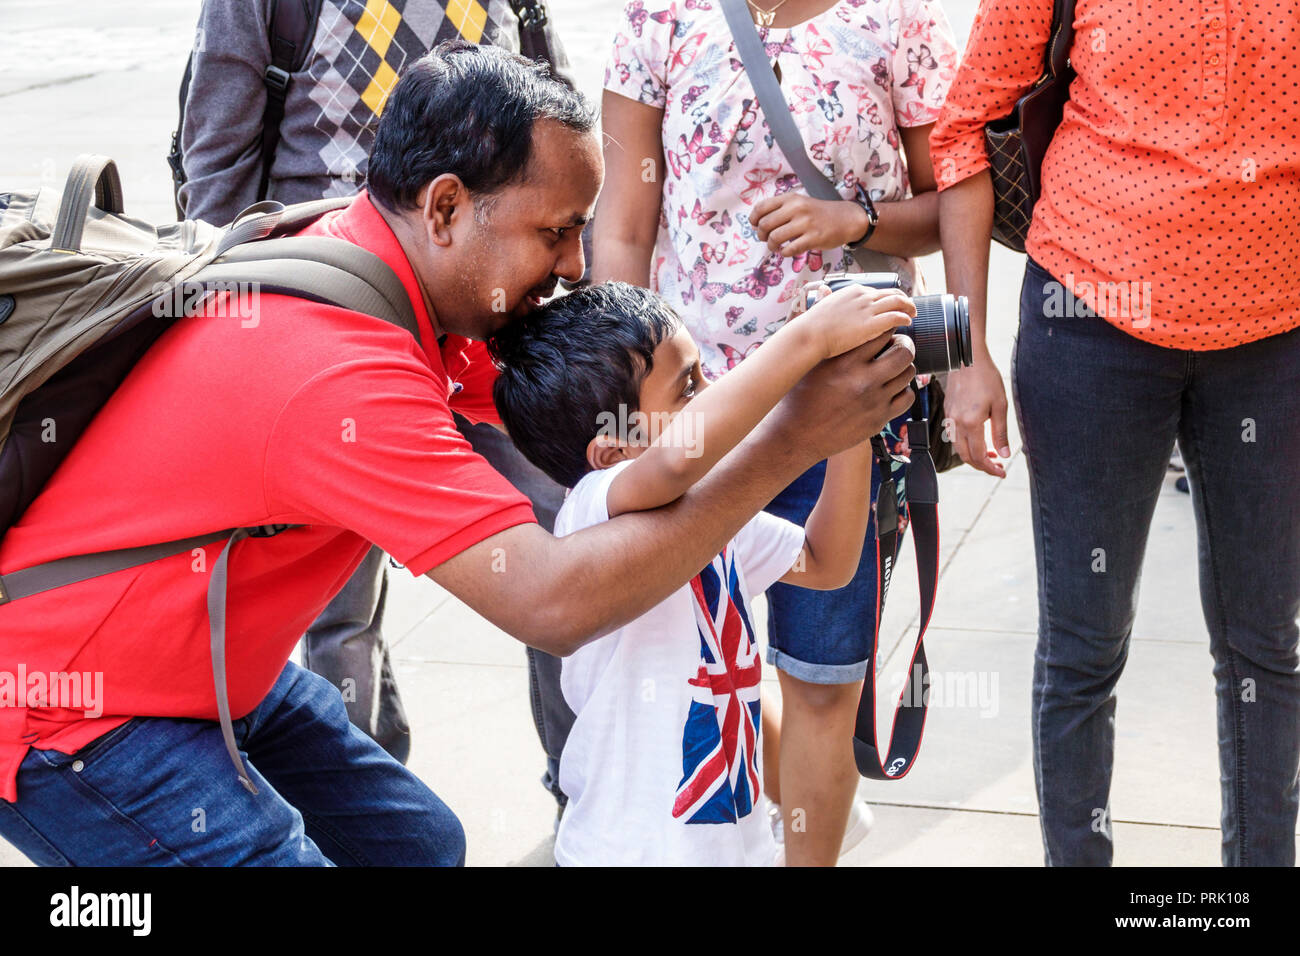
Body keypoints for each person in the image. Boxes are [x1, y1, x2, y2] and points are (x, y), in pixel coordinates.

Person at [0, 42, 917, 866]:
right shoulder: (336, 371)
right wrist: (794, 431)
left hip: (210, 667)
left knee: (416, 845)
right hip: (79, 710)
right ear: (446, 207)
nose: (572, 267)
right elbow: (551, 600)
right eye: (555, 232)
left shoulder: (410, 281)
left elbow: (628, 439)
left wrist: (809, 397)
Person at [931, 0, 1300, 865]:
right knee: (1084, 648)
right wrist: (964, 353)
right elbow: (963, 130)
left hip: (1277, 339)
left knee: (1266, 649)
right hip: (1090, 324)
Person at [177, 0, 578, 794]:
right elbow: (216, 159)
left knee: (564, 530)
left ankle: (589, 789)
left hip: (484, 312)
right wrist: (237, 329)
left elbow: (554, 109)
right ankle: (368, 809)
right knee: (337, 610)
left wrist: (562, 265)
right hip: (334, 319)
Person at [593, 0, 959, 865]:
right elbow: (625, 224)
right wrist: (621, 397)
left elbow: (953, 205)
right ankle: (801, 805)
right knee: (698, 665)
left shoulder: (898, 18)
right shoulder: (663, 18)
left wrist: (856, 221)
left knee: (824, 684)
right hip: (695, 423)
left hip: (846, 409)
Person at [491, 281, 917, 865]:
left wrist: (848, 428)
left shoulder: (712, 510)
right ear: (613, 450)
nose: (714, 393)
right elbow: (670, 463)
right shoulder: (592, 508)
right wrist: (809, 338)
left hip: (732, 841)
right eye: (688, 385)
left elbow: (825, 563)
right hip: (631, 851)